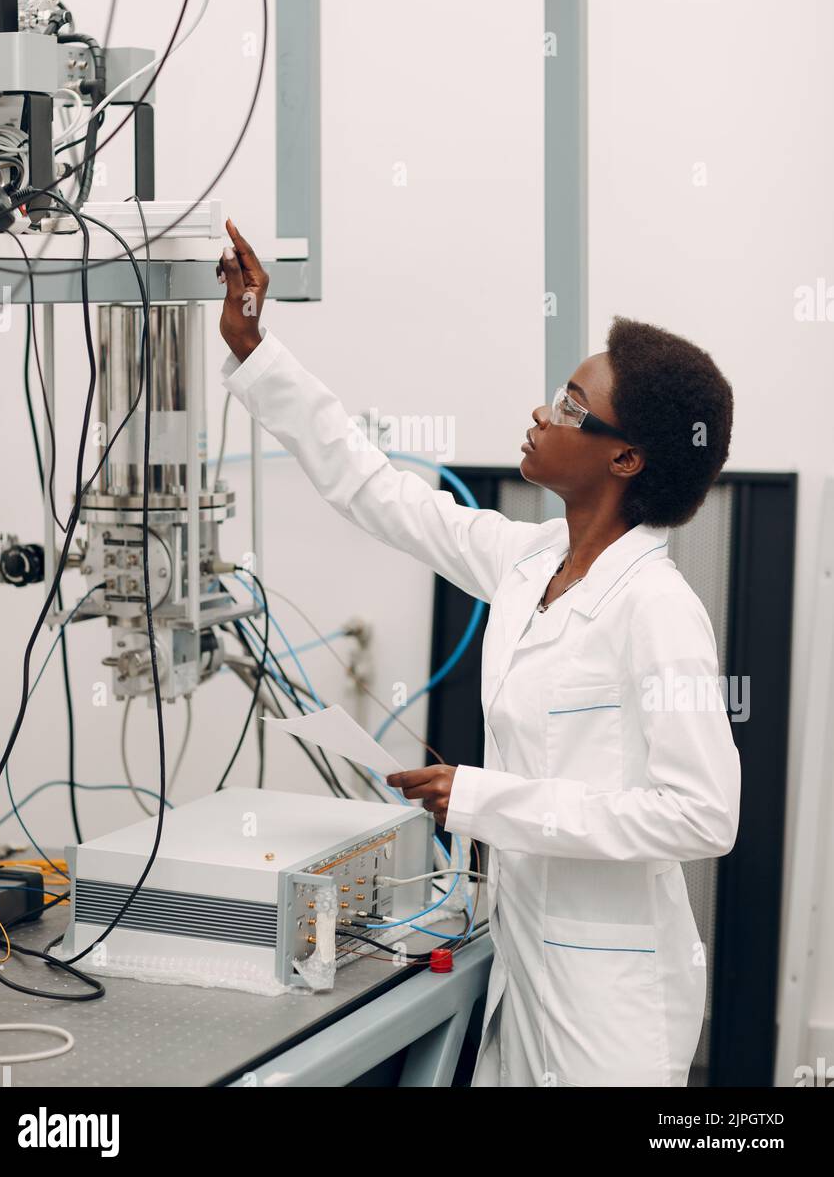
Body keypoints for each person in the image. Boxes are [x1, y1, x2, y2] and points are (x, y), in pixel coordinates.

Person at [216, 217, 740, 1089]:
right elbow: (374, 490)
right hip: (525, 966)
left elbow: (702, 816)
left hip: (610, 999)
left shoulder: (659, 610)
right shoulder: (529, 559)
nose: (542, 412)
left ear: (626, 457)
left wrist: (487, 798)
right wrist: (257, 349)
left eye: (571, 405)